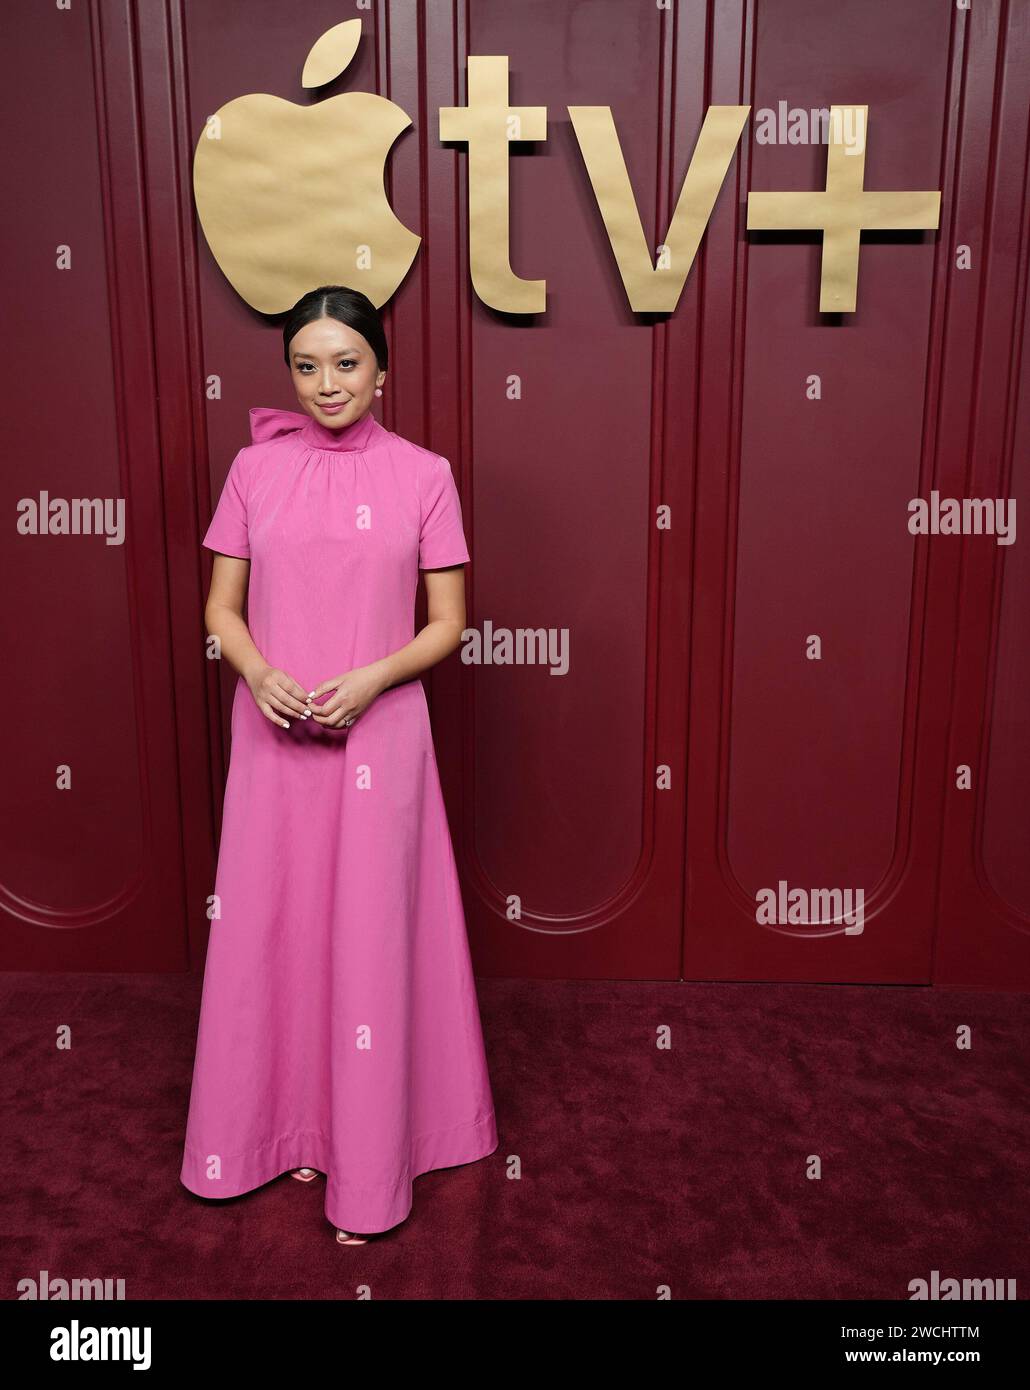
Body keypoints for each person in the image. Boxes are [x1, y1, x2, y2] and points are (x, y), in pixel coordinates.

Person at [180, 285, 498, 1244]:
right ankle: (277, 1133)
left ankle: (367, 1161)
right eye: (308, 366)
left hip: (382, 733)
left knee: (367, 930)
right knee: (276, 925)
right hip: (271, 732)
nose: (327, 384)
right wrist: (260, 673)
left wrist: (370, 680)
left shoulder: (425, 474)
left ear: (382, 370)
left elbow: (449, 625)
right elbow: (219, 609)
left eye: (347, 363)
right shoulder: (251, 469)